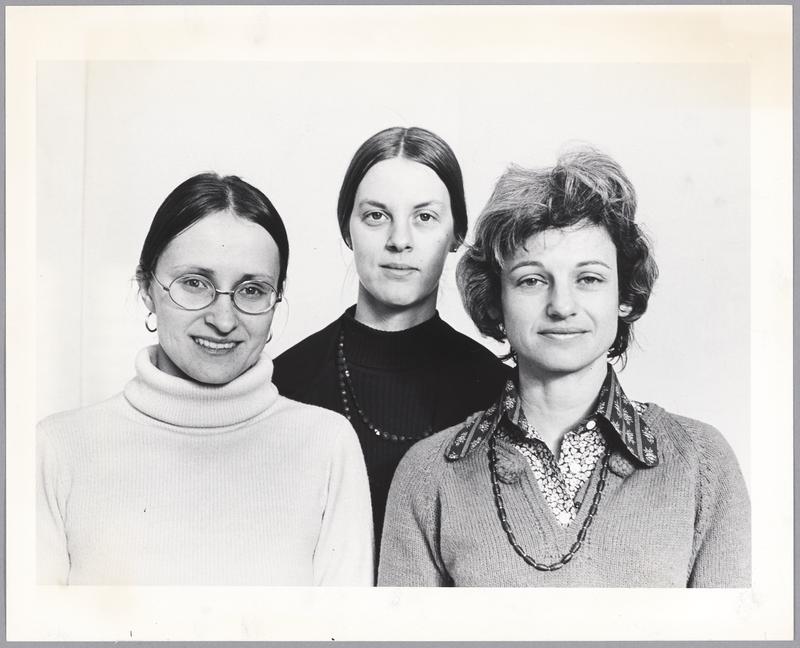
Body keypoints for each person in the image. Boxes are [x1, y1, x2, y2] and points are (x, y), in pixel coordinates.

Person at [378, 148, 750, 587]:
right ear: (496, 302)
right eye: (532, 280)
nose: (561, 306)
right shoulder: (429, 475)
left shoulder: (701, 464)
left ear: (624, 297)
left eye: (588, 279)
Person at [37, 173, 373, 586]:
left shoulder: (327, 446)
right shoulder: (58, 448)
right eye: (195, 284)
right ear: (146, 288)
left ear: (276, 301)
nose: (223, 319)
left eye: (251, 290)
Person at [273, 127, 508, 551]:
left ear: (457, 234)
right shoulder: (283, 384)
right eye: (376, 216)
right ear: (348, 229)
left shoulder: (499, 390)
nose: (400, 241)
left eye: (425, 217)